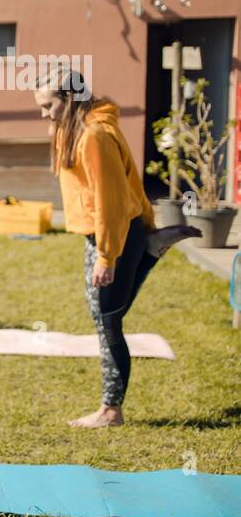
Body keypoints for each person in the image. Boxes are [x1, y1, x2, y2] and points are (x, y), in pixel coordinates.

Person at [33, 68, 199, 428]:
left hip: (114, 235)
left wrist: (107, 255)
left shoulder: (94, 136)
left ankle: (111, 411)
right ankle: (152, 249)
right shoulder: (83, 128)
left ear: (71, 100)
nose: (44, 114)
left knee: (108, 322)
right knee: (107, 316)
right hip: (115, 233)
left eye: (49, 106)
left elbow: (110, 198)